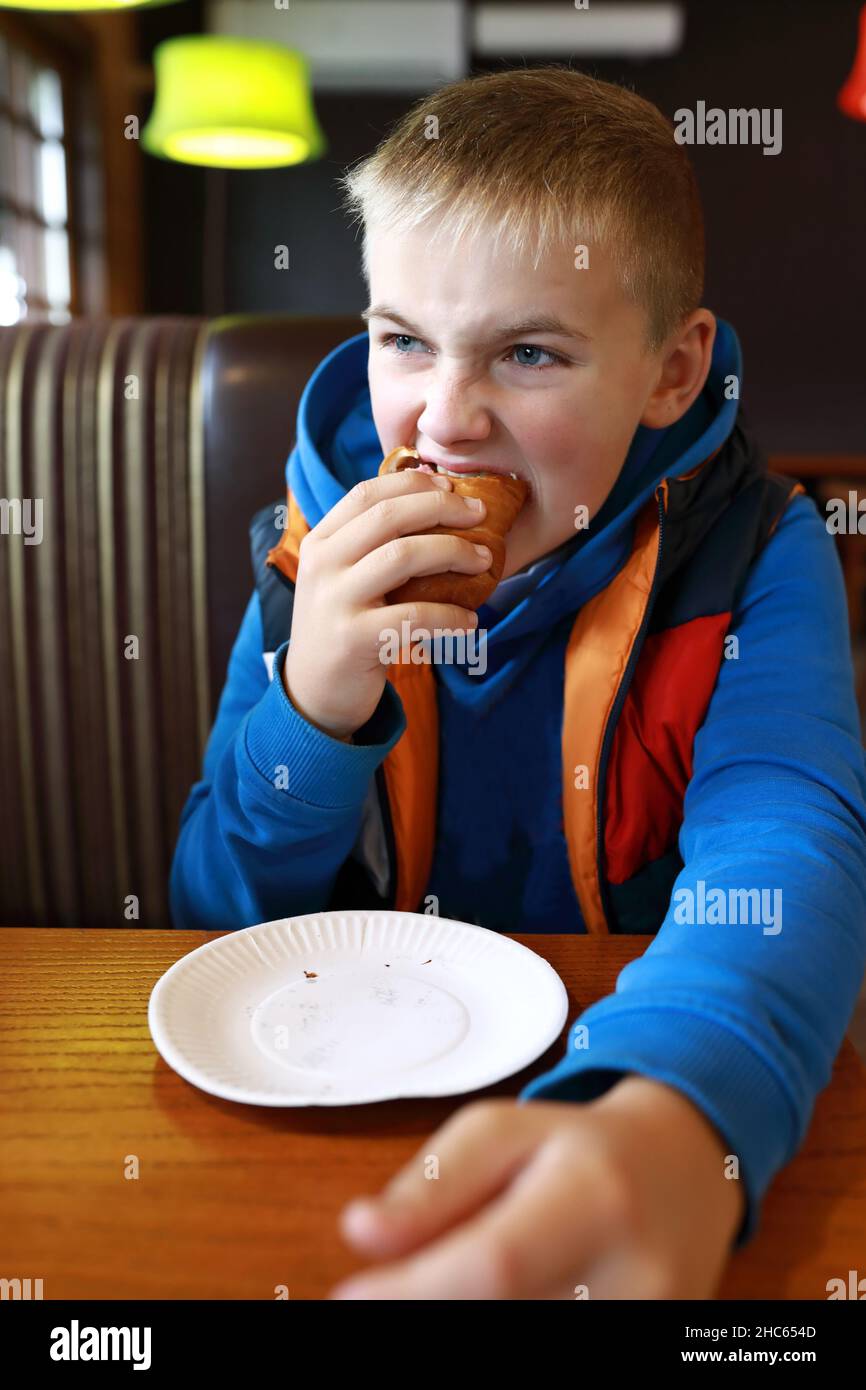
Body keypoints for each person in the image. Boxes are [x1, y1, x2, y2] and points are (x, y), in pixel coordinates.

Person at [170, 67, 866, 1299]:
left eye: (528, 352)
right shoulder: (308, 550)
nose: (444, 419)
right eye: (401, 341)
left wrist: (669, 1113)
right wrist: (314, 711)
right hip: (347, 1099)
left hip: (634, 1061)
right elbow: (210, 918)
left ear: (666, 370)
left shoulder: (755, 551)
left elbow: (786, 854)